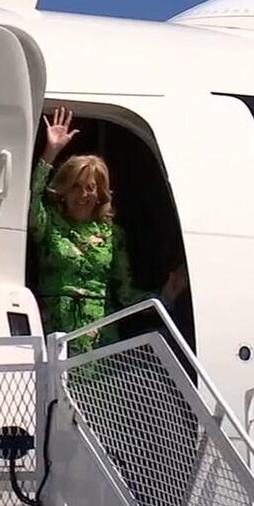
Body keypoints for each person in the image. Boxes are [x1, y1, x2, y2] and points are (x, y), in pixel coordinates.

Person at [30, 106, 187, 356]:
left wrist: (165, 295)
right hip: (56, 334)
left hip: (100, 338)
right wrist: (50, 153)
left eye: (90, 188)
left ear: (100, 193)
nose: (84, 195)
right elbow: (32, 199)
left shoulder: (112, 234)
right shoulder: (49, 224)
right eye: (76, 187)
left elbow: (125, 296)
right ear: (64, 192)